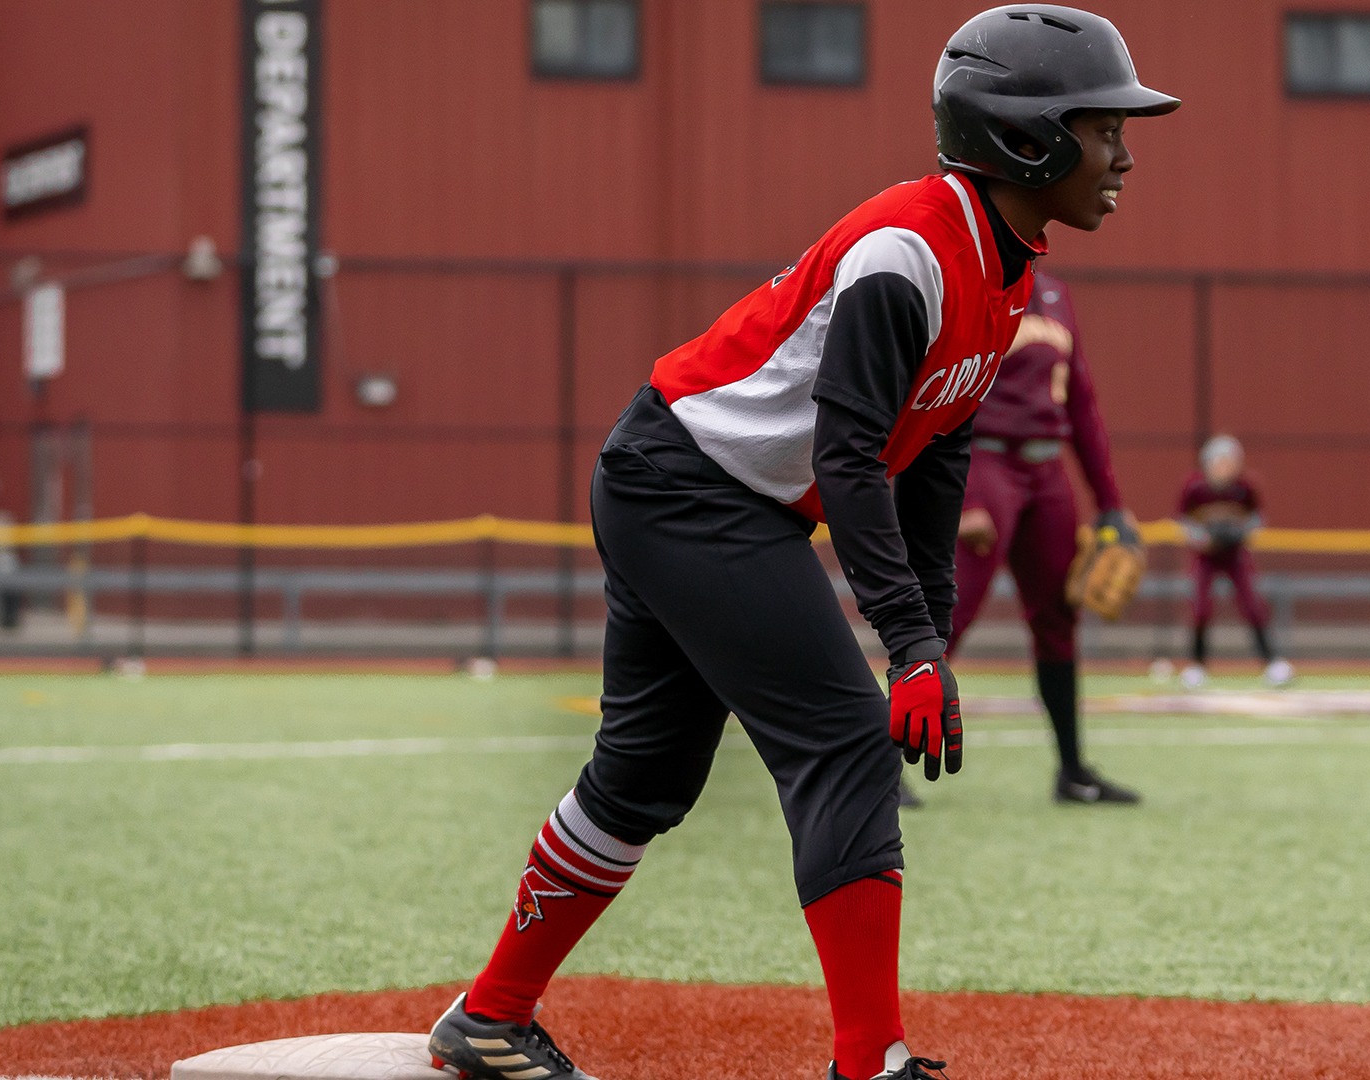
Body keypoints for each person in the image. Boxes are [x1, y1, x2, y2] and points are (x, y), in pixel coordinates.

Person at [424, 8, 1177, 1080]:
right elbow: (851, 454)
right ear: (1026, 139)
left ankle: (489, 1017)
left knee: (640, 781)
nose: (1124, 154)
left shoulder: (1005, 270)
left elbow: (934, 461)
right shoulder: (907, 253)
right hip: (688, 486)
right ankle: (869, 1062)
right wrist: (904, 647)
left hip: (697, 487)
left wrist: (928, 641)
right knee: (842, 747)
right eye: (1104, 128)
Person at [934, 268, 1143, 806]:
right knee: (949, 613)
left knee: (1058, 618)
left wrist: (1111, 504)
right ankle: (882, 767)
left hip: (1048, 470)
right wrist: (958, 493)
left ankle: (1072, 770)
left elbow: (1083, 404)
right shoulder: (972, 283)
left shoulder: (1054, 292)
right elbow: (936, 390)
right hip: (985, 462)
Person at [1175, 435, 1293, 689]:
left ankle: (1272, 662)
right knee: (1200, 606)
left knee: (1252, 605)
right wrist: (1203, 537)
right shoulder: (1195, 487)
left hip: (1235, 554)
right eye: (1219, 462)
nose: (1223, 468)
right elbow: (1182, 520)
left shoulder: (1244, 487)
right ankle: (1197, 665)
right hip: (1205, 555)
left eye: (1228, 462)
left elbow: (1257, 518)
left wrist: (1240, 533)